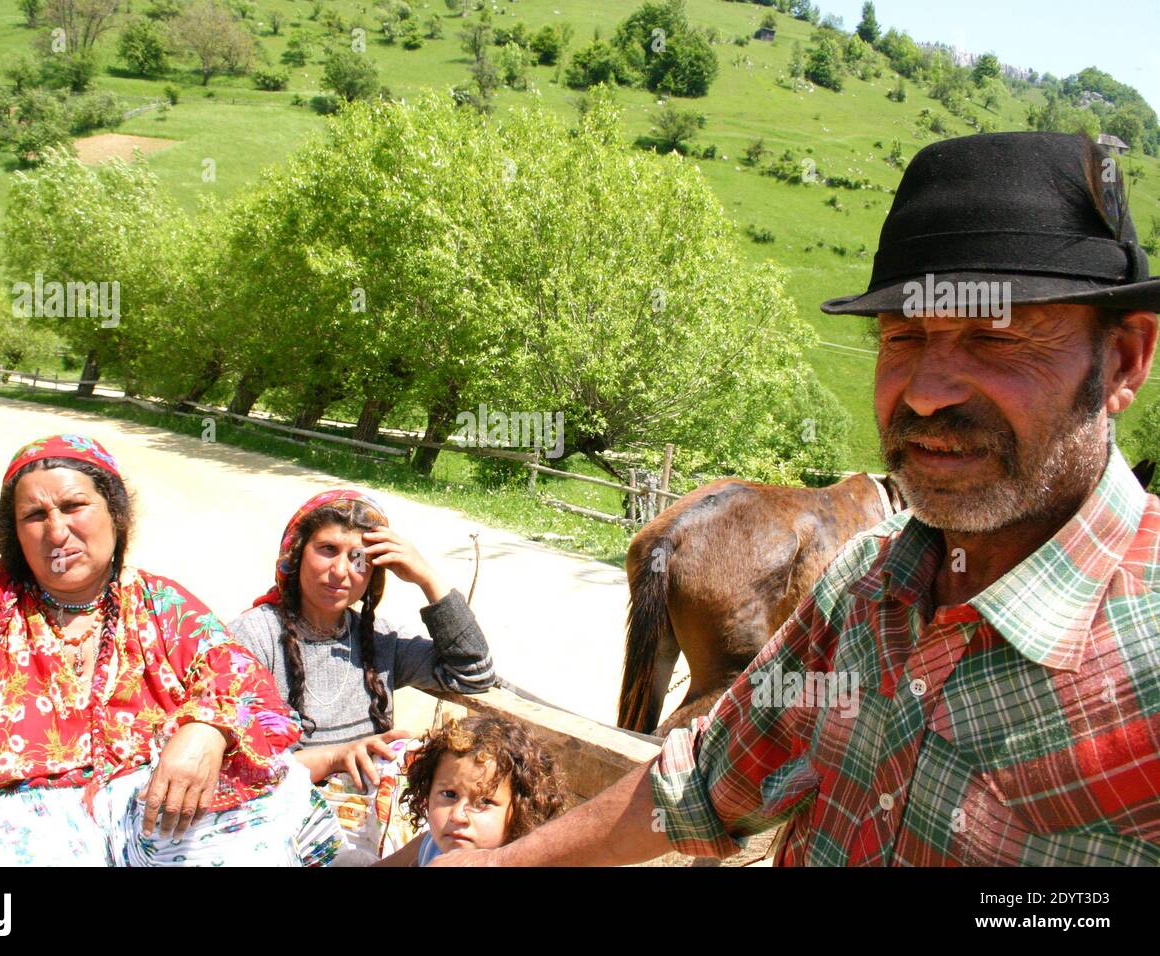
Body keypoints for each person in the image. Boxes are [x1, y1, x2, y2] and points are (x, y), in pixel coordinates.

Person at [432, 131, 1160, 866]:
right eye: (902, 338)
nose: (927, 393)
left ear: (1125, 360)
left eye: (997, 338)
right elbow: (704, 783)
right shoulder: (867, 580)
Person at [0, 434, 351, 866]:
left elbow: (241, 682)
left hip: (143, 820)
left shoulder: (161, 605)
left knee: (278, 802)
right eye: (35, 515)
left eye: (74, 507)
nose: (57, 532)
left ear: (115, 514)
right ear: (13, 533)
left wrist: (207, 728)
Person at [228, 489, 496, 787]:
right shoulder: (254, 637)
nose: (341, 571)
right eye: (327, 549)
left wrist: (426, 578)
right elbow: (240, 761)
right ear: (296, 554)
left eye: (358, 558)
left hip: (364, 820)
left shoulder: (379, 639)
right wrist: (336, 758)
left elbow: (475, 674)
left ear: (373, 570)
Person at [376, 714, 567, 866]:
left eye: (484, 802)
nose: (458, 816)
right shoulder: (431, 845)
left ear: (521, 810)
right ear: (427, 793)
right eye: (449, 795)